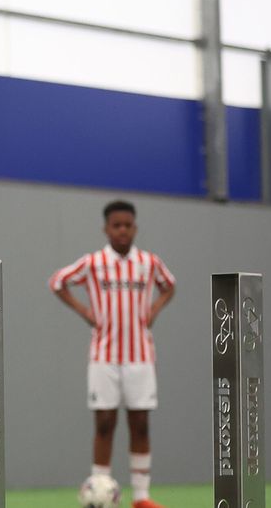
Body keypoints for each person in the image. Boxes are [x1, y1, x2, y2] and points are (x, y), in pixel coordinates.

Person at [49, 200, 175, 508]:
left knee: (140, 422)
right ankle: (100, 491)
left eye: (127, 225)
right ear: (106, 229)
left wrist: (154, 310)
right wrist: (85, 312)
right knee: (104, 422)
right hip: (104, 355)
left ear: (135, 228)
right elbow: (58, 282)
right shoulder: (94, 263)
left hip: (140, 355)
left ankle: (142, 496)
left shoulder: (148, 262)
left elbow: (169, 286)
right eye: (116, 225)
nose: (122, 230)